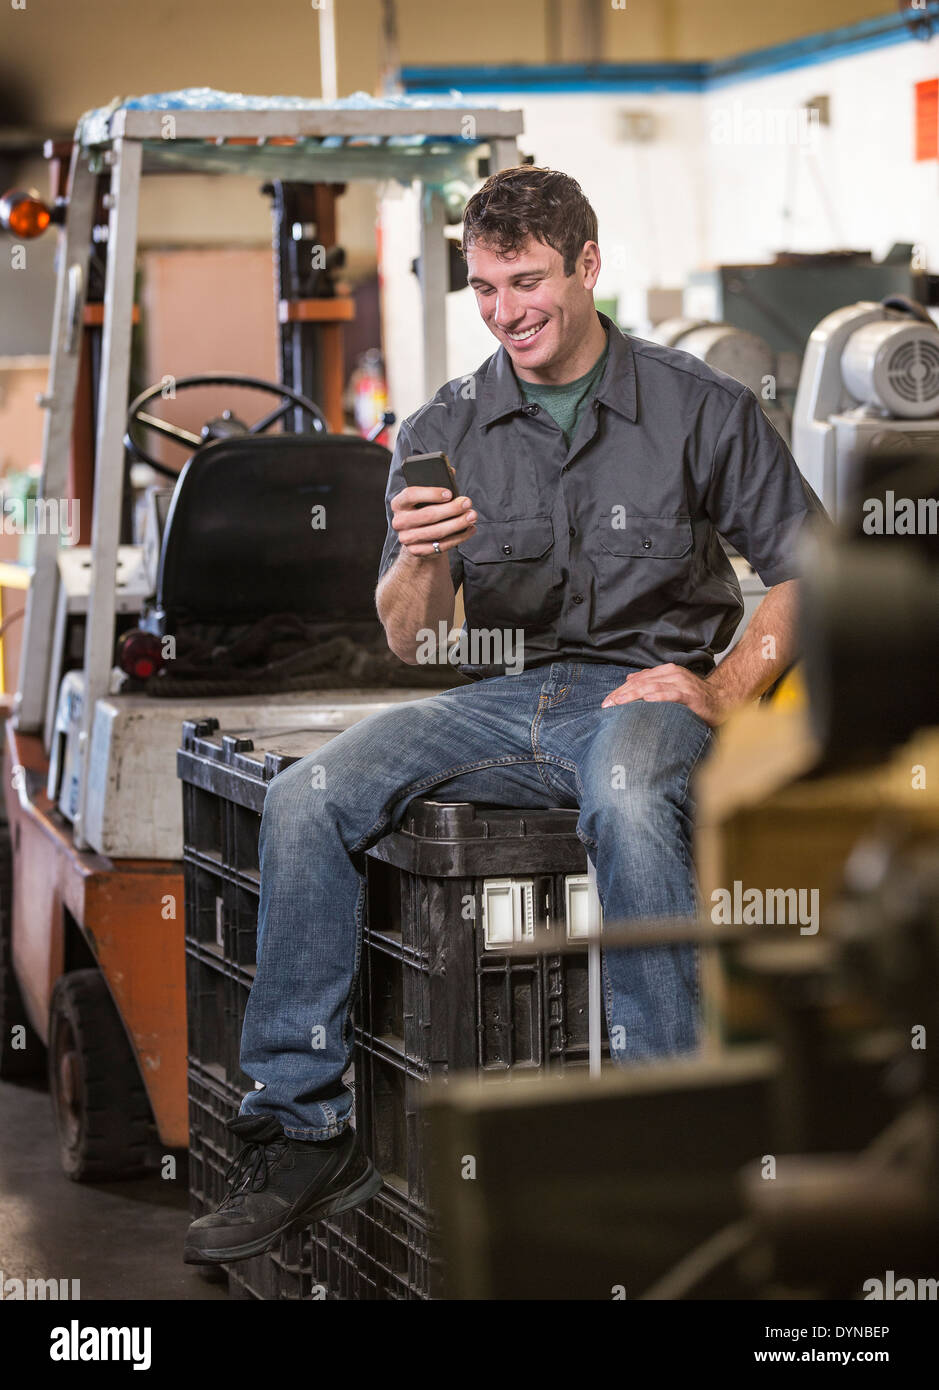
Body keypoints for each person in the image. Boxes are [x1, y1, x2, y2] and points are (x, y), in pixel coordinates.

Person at [184, 166, 826, 1266]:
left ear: (586, 266)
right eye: (484, 288)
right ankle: (304, 1131)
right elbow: (409, 639)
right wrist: (423, 557)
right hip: (504, 697)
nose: (505, 310)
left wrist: (719, 689)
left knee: (628, 792)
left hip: (644, 692)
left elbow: (812, 572)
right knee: (309, 795)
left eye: (526, 280)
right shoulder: (445, 426)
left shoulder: (697, 406)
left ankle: (666, 1136)